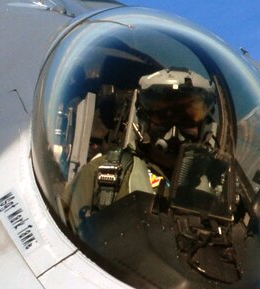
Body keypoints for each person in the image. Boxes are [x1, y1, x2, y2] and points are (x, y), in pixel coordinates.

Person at [62, 68, 217, 232]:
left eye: (188, 117)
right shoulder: (102, 176)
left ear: (205, 125)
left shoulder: (220, 188)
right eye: (163, 115)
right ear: (143, 120)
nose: (174, 130)